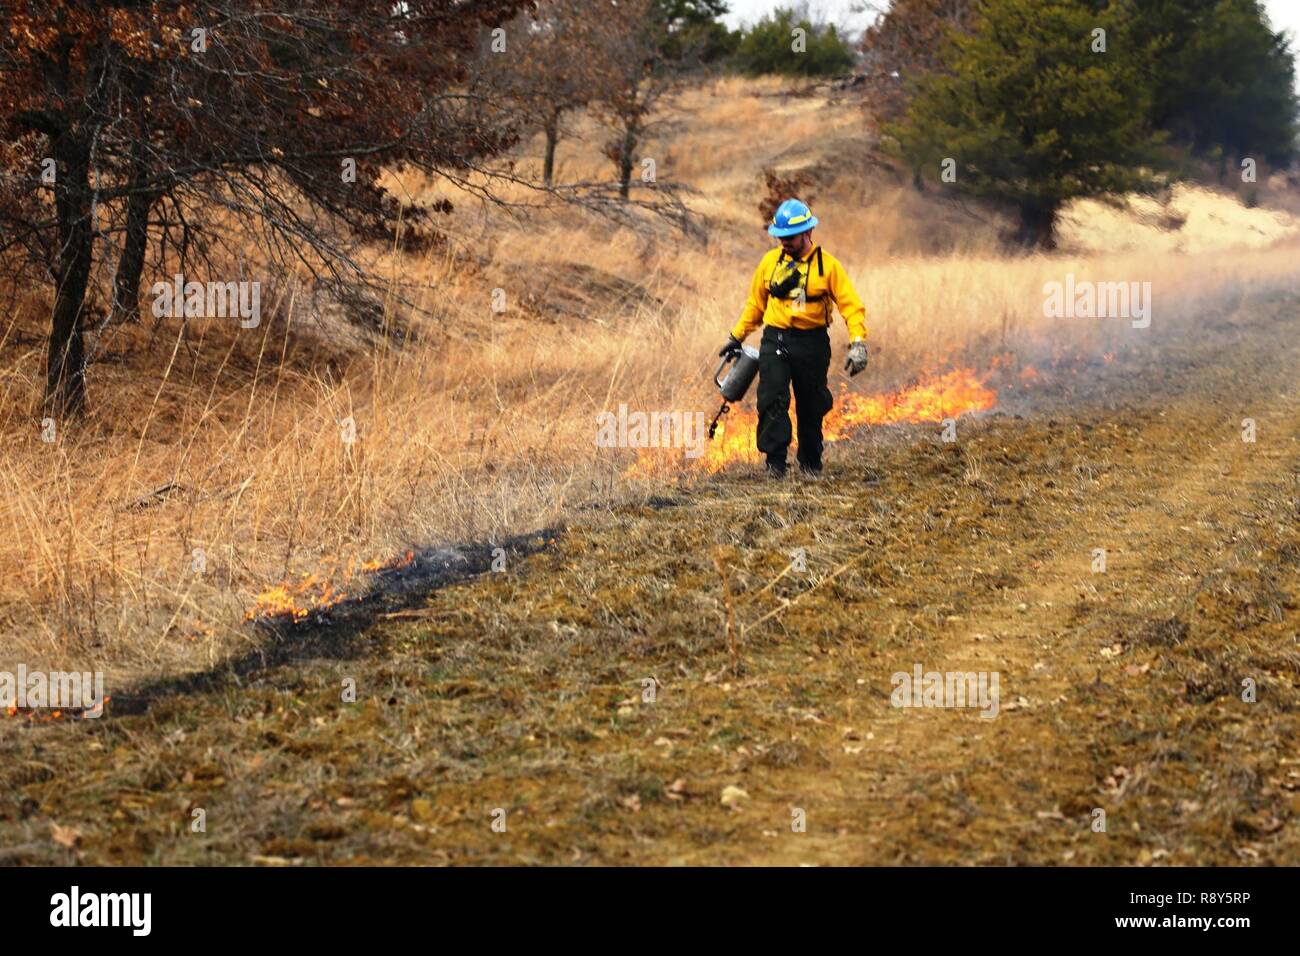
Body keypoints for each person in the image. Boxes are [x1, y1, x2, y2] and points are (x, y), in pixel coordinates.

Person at [719, 198, 869, 476]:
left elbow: (851, 306)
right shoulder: (769, 263)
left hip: (812, 343)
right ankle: (775, 464)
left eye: (790, 237)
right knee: (771, 399)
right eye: (780, 237)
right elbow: (755, 304)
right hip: (775, 339)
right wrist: (736, 336)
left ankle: (811, 463)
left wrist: (858, 342)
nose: (784, 242)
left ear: (808, 233)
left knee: (811, 404)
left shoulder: (829, 267)